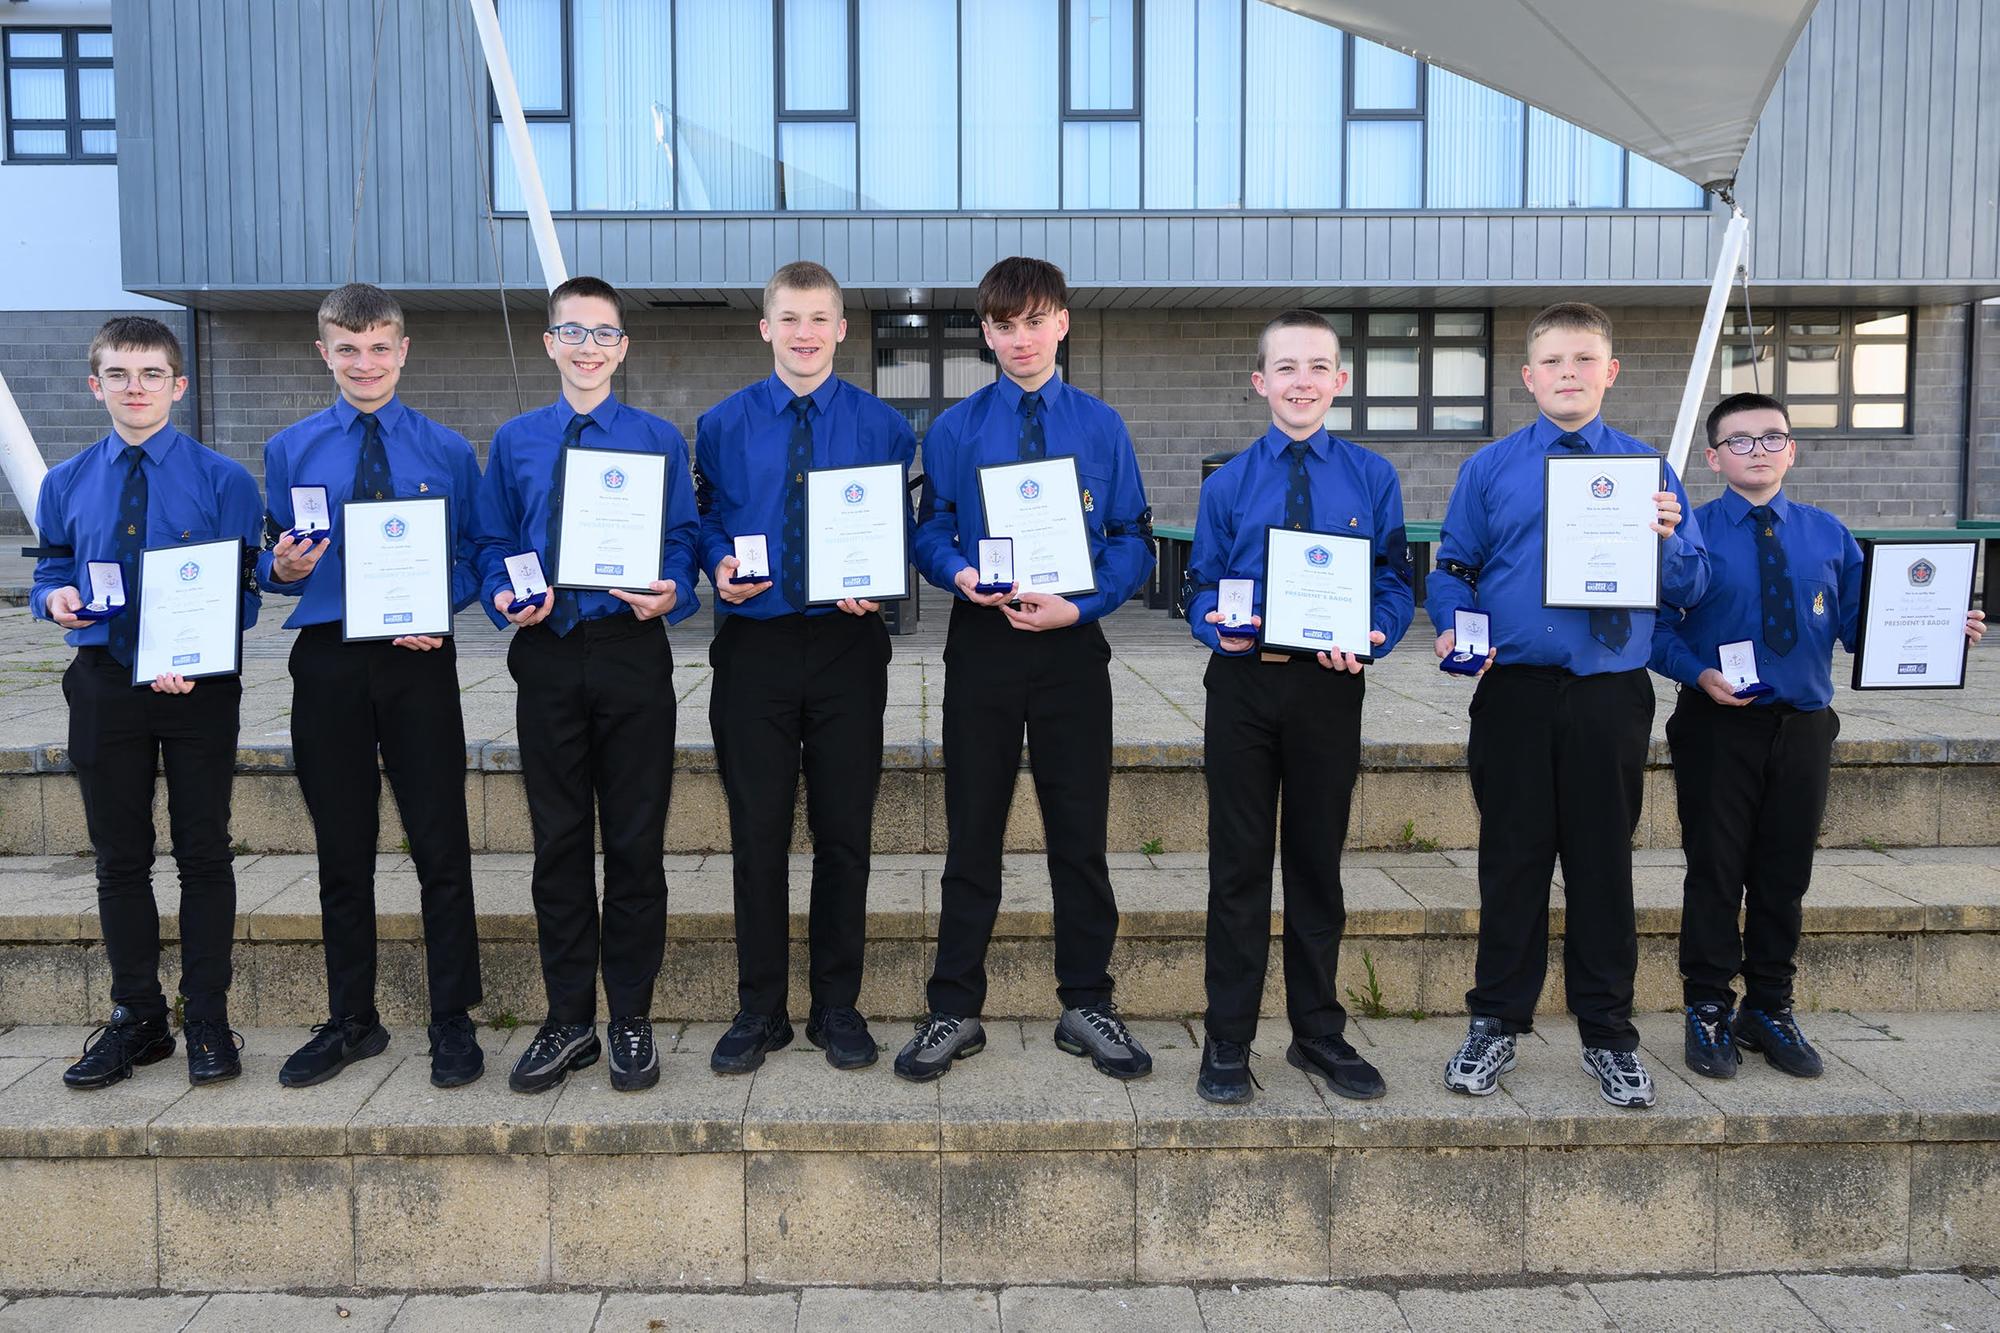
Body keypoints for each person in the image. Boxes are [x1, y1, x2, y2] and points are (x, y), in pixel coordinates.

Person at [1427, 301, 1709, 1109]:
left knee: (1601, 867)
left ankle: (1609, 1035)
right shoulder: (1489, 468)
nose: (1568, 374)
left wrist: (1669, 536)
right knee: (1510, 861)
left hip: (1608, 694)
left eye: (1584, 359)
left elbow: (1690, 588)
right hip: (1513, 690)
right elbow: (1454, 570)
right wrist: (1451, 626)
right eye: (1552, 361)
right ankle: (1495, 1024)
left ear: (1610, 371)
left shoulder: (1650, 471)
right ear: (1529, 376)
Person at [1653, 391, 1984, 1080]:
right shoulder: (1690, 533)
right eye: (1739, 441)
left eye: (1771, 437)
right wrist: (1697, 672)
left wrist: (1938, 625)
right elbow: (1651, 625)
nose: (1758, 450)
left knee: (1784, 874)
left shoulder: (1827, 533)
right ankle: (1708, 1005)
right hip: (1718, 723)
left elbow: (1864, 626)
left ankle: (1769, 1005)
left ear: (1792, 449)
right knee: (1715, 871)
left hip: (1803, 727)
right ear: (1713, 457)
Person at [897, 256, 1156, 1083]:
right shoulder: (955, 428)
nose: (1020, 339)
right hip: (984, 644)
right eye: (1004, 326)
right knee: (972, 834)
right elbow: (929, 525)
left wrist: (1082, 605)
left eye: (1035, 321)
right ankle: (952, 1008)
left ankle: (1087, 1001)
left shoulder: (1102, 425)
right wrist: (958, 573)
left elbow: (1130, 540)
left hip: (1072, 648)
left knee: (1078, 838)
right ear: (986, 332)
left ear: (1063, 323)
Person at [474, 275, 700, 1095]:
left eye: (603, 334)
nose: (588, 347)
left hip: (631, 650)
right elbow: (492, 537)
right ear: (549, 343)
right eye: (573, 333)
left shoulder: (657, 439)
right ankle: (569, 1018)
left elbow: (682, 538)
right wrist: (502, 592)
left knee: (636, 843)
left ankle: (630, 1016)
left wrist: (675, 586)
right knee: (559, 843)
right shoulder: (516, 440)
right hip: (548, 651)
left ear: (622, 348)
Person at [1182, 310, 1415, 1104]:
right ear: (1261, 382)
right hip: (1244, 687)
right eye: (1286, 368)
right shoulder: (1226, 483)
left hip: (1329, 688)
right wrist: (1212, 623)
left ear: (1340, 381)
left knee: (1316, 867)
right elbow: (1202, 585)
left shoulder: (1372, 476)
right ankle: (1228, 1040)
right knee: (1238, 870)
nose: (1302, 381)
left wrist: (1378, 632)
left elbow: (1392, 579)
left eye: (1319, 366)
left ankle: (1317, 1033)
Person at [259, 283, 486, 1090]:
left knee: (440, 845)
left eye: (379, 347)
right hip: (327, 661)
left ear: (402, 351)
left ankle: (452, 1019)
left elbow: (474, 554)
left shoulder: (451, 450)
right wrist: (277, 569)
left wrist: (449, 601)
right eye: (348, 349)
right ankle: (353, 1018)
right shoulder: (288, 449)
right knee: (341, 849)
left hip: (418, 658)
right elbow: (275, 554)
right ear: (324, 352)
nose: (365, 363)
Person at [693, 261, 917, 1074]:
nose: (804, 333)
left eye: (819, 318)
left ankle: (836, 1004)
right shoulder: (720, 423)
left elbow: (894, 525)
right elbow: (706, 517)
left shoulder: (885, 426)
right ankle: (760, 1009)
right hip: (752, 644)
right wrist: (716, 563)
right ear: (766, 327)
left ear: (842, 328)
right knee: (755, 835)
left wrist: (878, 584)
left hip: (846, 647)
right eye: (789, 318)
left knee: (844, 832)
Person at [33, 316, 262, 1088]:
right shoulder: (63, 481)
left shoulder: (225, 480)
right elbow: (51, 567)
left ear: (179, 385)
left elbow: (242, 594)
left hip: (198, 692)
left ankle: (206, 1016)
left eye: (152, 375)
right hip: (104, 685)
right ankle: (137, 1015)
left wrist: (194, 655)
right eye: (120, 376)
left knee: (204, 854)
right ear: (95, 384)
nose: (137, 389)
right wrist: (54, 597)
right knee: (118, 858)